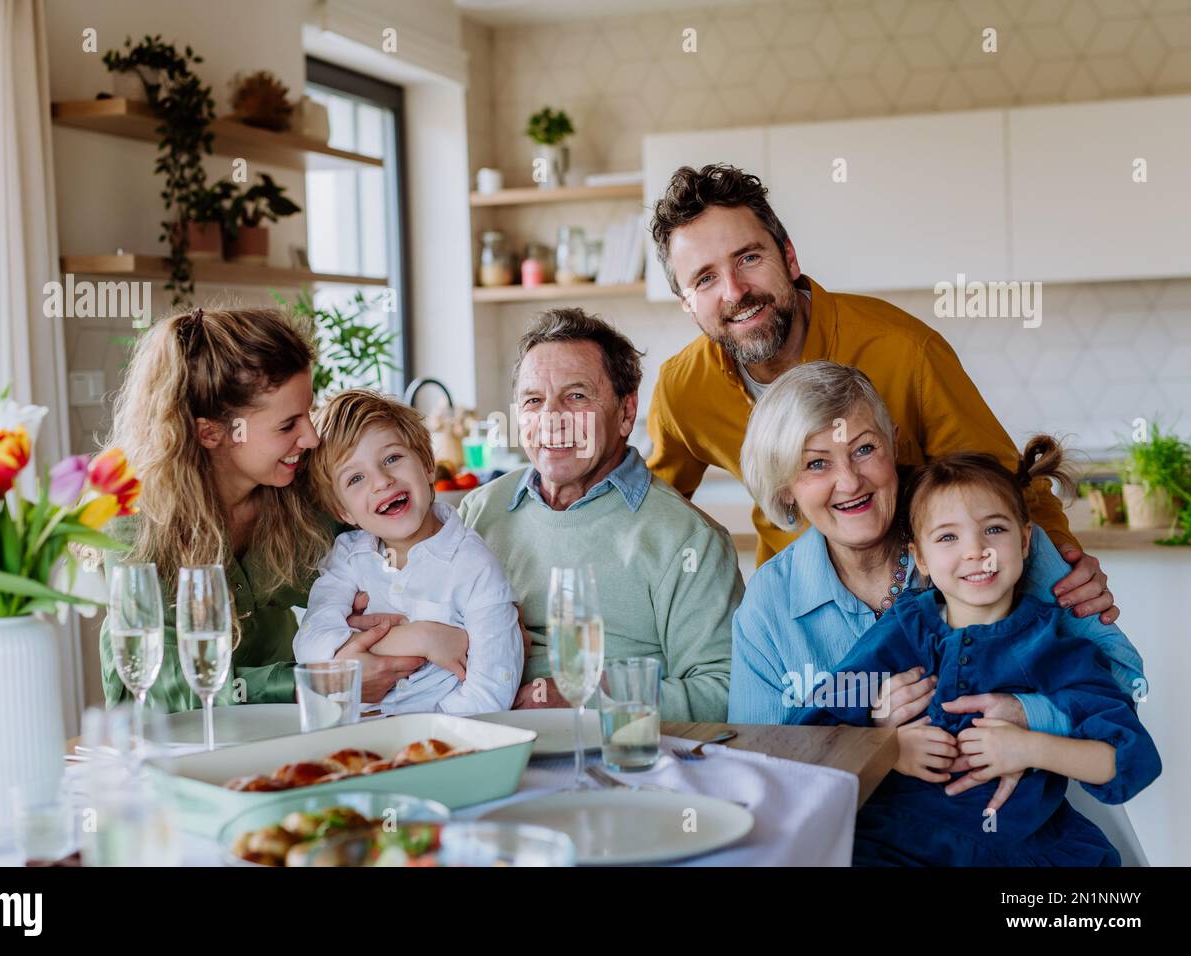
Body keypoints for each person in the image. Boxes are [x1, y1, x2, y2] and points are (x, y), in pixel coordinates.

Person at [645, 163, 1120, 626]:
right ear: (687, 304)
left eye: (749, 257)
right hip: (798, 619)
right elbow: (655, 517)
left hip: (926, 607)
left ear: (788, 258)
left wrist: (1065, 567)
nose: (735, 291)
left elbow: (1002, 483)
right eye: (705, 279)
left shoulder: (905, 349)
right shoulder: (683, 389)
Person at [727, 362, 1146, 809]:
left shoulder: (993, 546)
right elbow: (757, 769)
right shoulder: (771, 600)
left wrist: (1029, 718)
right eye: (815, 464)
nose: (849, 481)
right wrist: (873, 735)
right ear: (786, 488)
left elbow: (1123, 684)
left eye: (864, 449)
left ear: (893, 441)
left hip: (1017, 826)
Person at [797, 437, 1161, 866]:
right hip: (895, 845)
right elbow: (818, 724)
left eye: (994, 529)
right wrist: (889, 745)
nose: (976, 550)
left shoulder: (1053, 645)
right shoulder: (905, 629)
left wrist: (1031, 748)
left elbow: (1129, 760)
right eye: (948, 536)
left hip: (1017, 851)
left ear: (1025, 541)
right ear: (922, 559)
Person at [98, 308, 422, 712]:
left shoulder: (298, 486)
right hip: (173, 743)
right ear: (211, 432)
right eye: (287, 425)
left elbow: (378, 580)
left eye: (309, 412)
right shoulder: (134, 514)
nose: (311, 437)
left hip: (284, 731)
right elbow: (166, 682)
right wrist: (318, 683)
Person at [459, 308, 741, 723]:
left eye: (576, 397)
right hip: (483, 743)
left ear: (626, 413)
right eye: (533, 401)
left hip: (617, 756)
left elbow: (724, 691)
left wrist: (587, 698)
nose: (551, 420)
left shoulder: (689, 540)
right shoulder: (478, 511)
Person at [295, 389, 522, 715]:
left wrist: (430, 736)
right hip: (358, 739)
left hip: (442, 743)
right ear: (342, 511)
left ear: (428, 466)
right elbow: (310, 645)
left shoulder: (473, 565)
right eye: (356, 478)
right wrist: (422, 638)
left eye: (392, 459)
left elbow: (491, 691)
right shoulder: (348, 557)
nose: (382, 481)